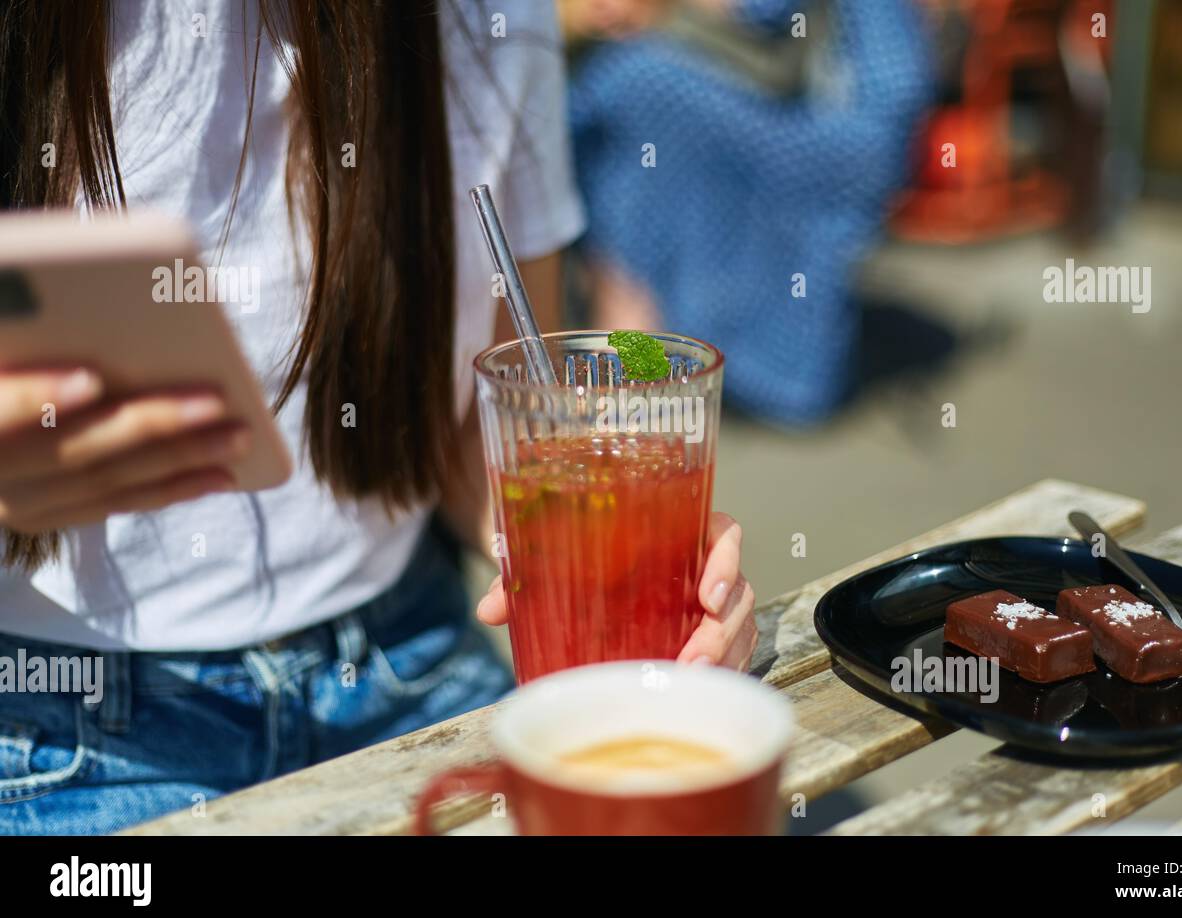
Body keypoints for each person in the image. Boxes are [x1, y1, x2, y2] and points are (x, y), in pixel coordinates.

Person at [0, 0, 756, 836]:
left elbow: (501, 416)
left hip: (407, 665)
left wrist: (609, 560)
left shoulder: (487, 18)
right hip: (65, 729)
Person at [563, 0, 932, 424]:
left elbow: (888, 100)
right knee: (625, 104)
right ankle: (635, 342)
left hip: (835, 133)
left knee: (627, 87)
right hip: (780, 104)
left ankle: (634, 343)